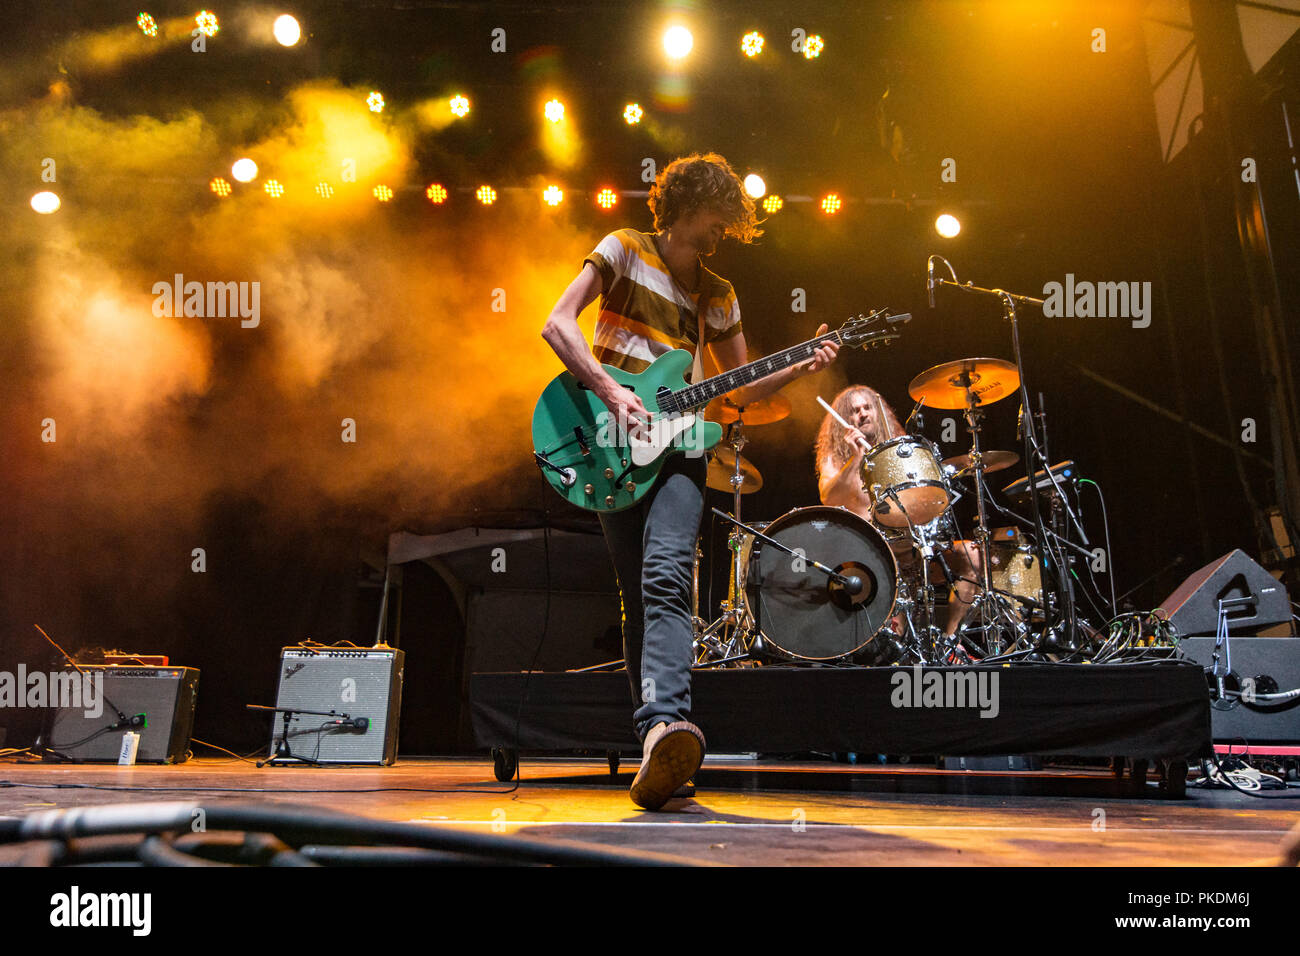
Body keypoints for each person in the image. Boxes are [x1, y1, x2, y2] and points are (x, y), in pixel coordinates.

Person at [541, 153, 839, 809]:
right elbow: (558, 324)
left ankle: (666, 726)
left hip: (680, 450)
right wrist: (612, 391)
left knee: (667, 570)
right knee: (635, 594)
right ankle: (658, 743)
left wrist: (799, 366)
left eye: (727, 227)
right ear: (683, 207)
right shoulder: (623, 249)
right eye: (714, 221)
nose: (719, 235)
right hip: (610, 444)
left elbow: (740, 386)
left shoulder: (718, 294)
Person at [815, 385, 983, 645]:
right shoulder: (835, 457)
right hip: (871, 555)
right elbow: (829, 496)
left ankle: (952, 643)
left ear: (878, 412)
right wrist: (856, 458)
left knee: (971, 556)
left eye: (867, 408)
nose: (862, 414)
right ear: (845, 420)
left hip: (912, 546)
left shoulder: (897, 448)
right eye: (854, 411)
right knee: (895, 641)